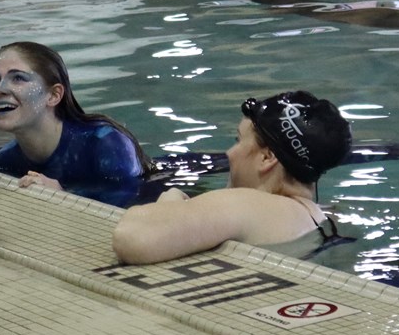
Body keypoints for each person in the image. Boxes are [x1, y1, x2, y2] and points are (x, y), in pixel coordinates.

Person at [111, 90, 351, 265]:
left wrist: (170, 201)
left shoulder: (249, 204)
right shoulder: (320, 219)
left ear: (267, 158)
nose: (229, 153)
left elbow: (131, 238)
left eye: (238, 140)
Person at [0, 42, 151, 208]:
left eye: (18, 78)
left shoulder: (106, 143)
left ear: (54, 95)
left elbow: (130, 202)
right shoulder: (5, 161)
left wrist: (64, 194)